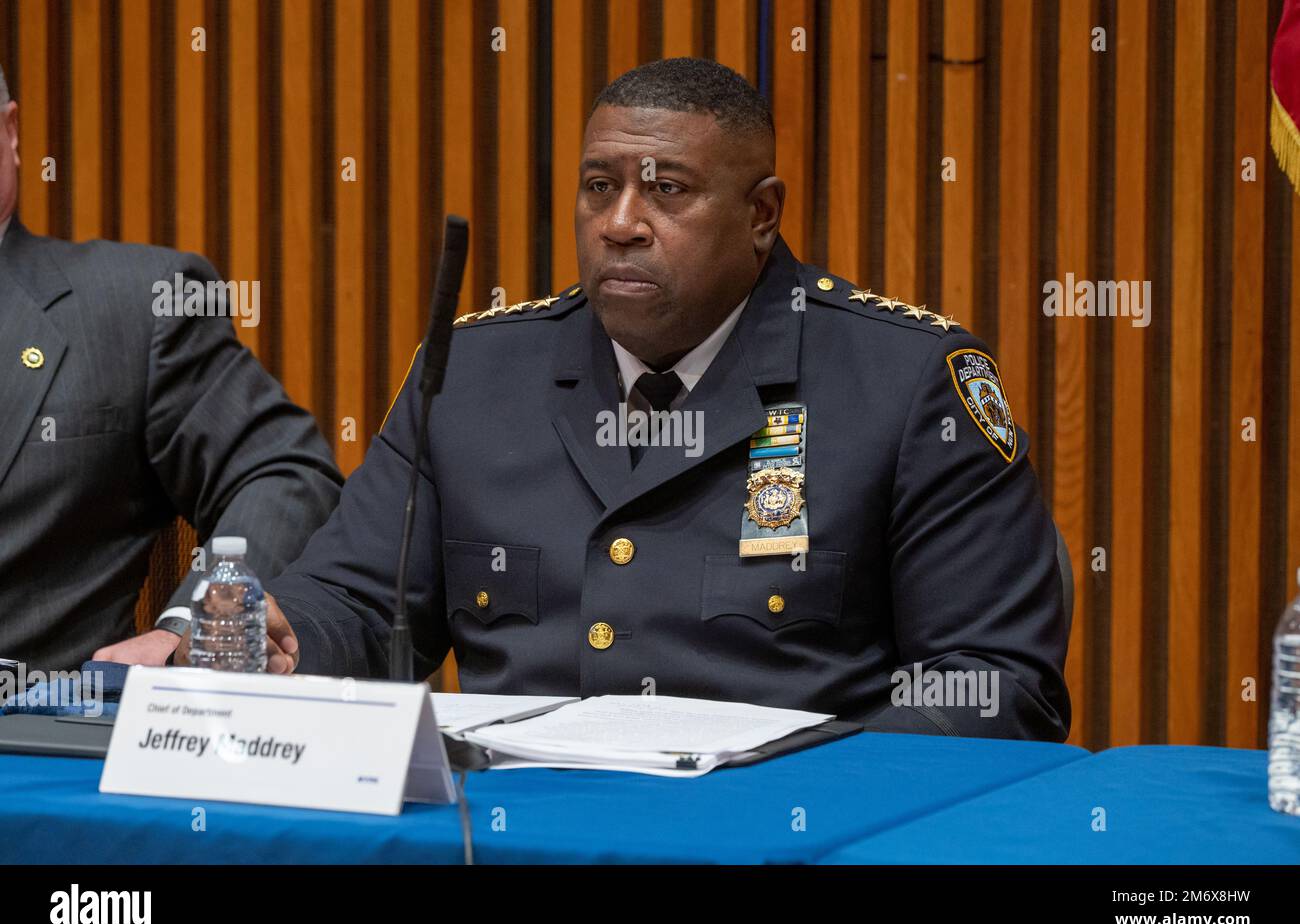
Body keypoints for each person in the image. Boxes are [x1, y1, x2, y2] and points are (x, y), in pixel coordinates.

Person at [231, 58, 1070, 741]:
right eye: (600, 186)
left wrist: (799, 796)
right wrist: (277, 637)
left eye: (667, 190)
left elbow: (993, 681)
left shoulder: (906, 382)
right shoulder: (474, 374)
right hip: (514, 832)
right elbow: (359, 604)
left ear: (762, 215)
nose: (621, 223)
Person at [0, 62, 343, 672]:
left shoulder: (135, 306)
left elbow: (284, 472)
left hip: (32, 741)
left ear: (11, 131)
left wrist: (191, 628)